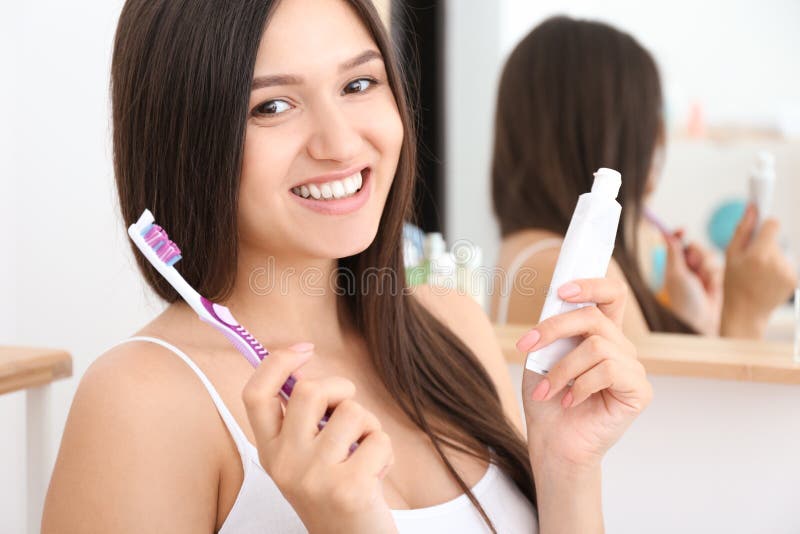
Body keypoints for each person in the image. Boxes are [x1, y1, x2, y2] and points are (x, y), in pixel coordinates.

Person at [42, 2, 651, 533]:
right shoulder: (142, 401)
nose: (338, 143)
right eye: (272, 105)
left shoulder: (452, 326)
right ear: (185, 137)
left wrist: (565, 470)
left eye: (359, 84)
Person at [490, 16, 797, 339]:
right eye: (650, 119)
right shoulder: (582, 273)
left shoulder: (525, 251)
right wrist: (745, 315)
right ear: (617, 139)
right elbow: (670, 393)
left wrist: (694, 324)